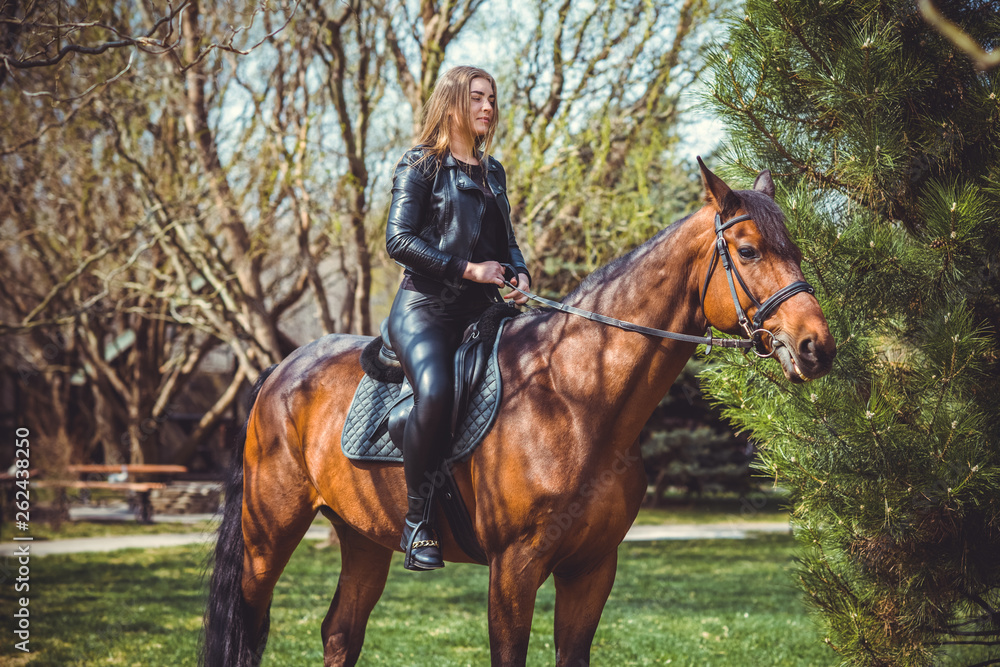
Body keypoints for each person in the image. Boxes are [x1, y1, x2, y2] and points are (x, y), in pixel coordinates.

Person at [385, 66, 531, 571]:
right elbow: (398, 241)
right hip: (424, 310)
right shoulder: (420, 164)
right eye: (476, 99)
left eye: (492, 98)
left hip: (484, 312)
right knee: (439, 392)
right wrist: (468, 269)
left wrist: (520, 274)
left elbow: (506, 240)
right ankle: (417, 523)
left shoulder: (494, 172)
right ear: (451, 104)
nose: (488, 107)